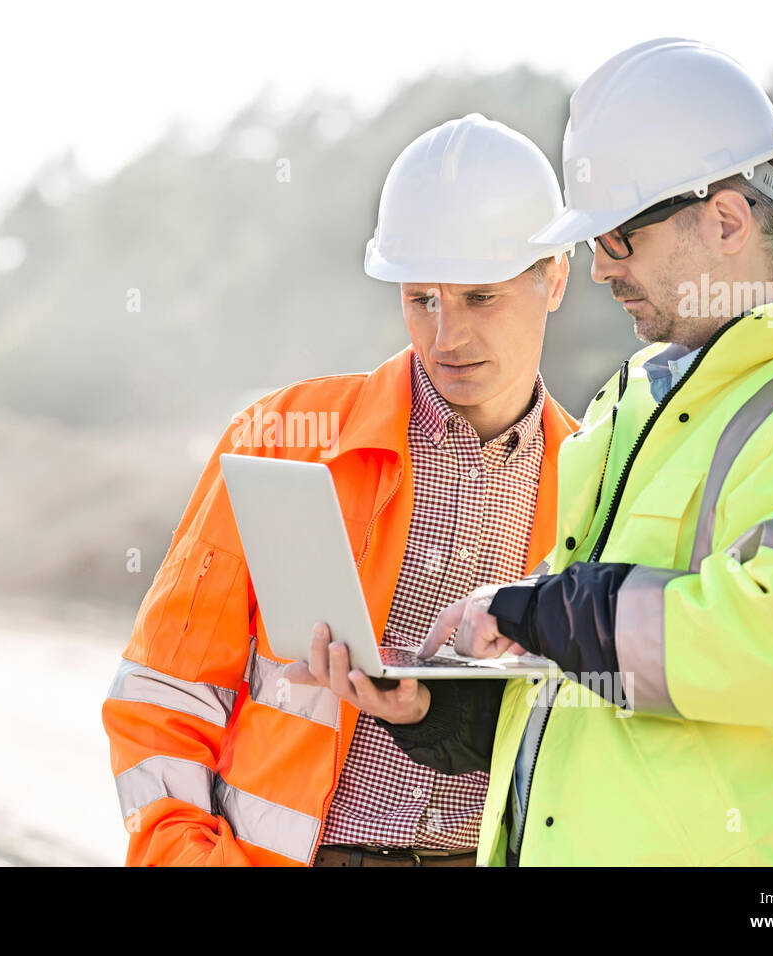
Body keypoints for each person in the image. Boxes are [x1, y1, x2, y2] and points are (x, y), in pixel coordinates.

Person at [314, 37, 773, 865]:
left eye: (617, 240)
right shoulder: (633, 405)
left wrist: (562, 608)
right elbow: (603, 685)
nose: (599, 270)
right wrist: (448, 716)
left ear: (725, 219)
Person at [101, 113, 579, 865]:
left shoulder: (596, 482)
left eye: (479, 298)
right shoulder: (283, 439)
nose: (446, 334)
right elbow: (164, 693)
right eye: (422, 298)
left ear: (555, 276)